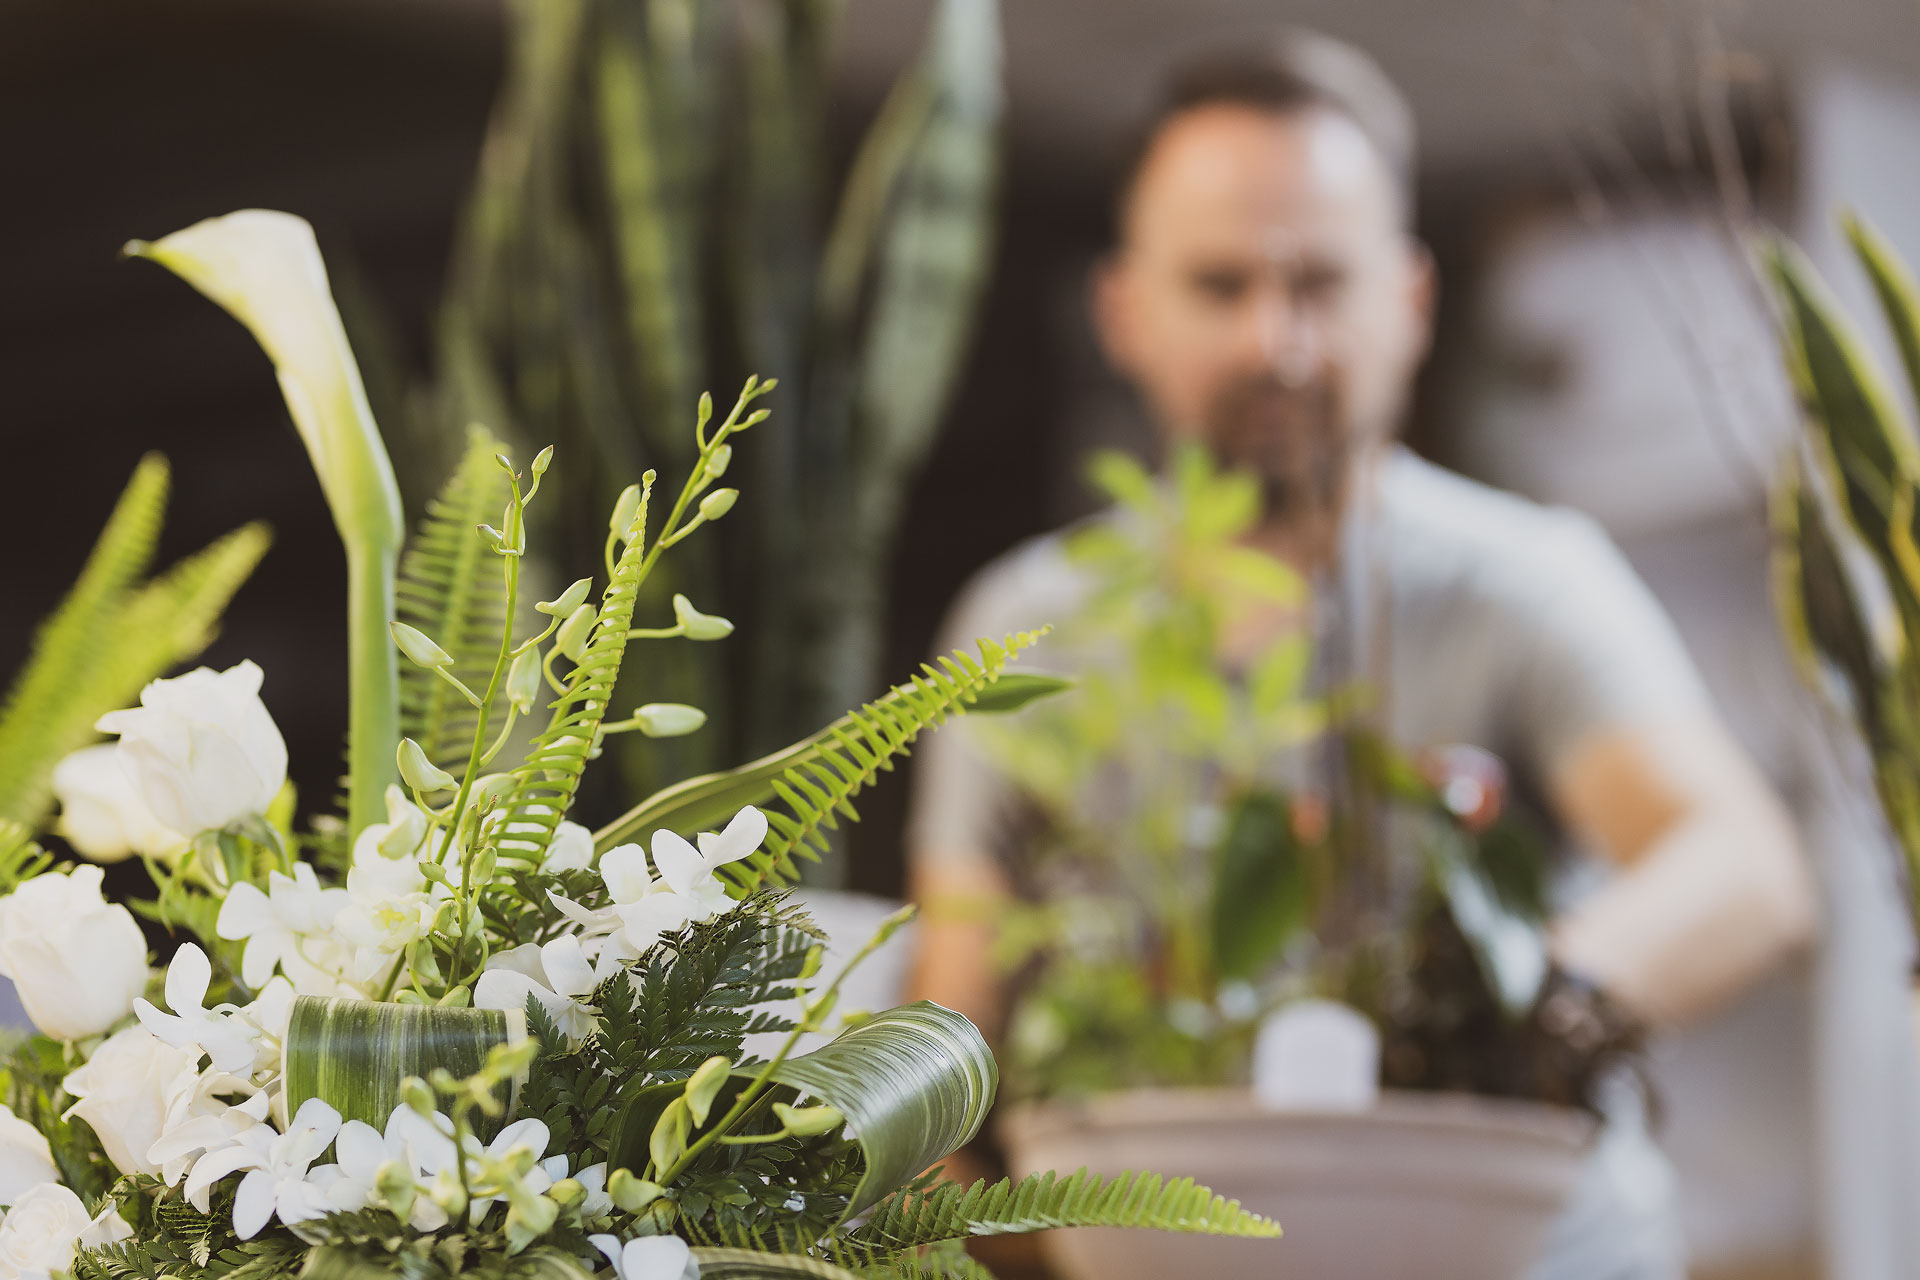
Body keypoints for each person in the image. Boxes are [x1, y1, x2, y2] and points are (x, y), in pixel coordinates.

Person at [903, 30, 1817, 1280]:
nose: (1279, 343)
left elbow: (1746, 872)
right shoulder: (1023, 620)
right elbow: (954, 1022)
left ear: (1411, 299)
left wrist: (1506, 1020)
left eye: (1320, 283)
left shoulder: (1522, 580)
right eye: (1222, 286)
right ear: (1125, 309)